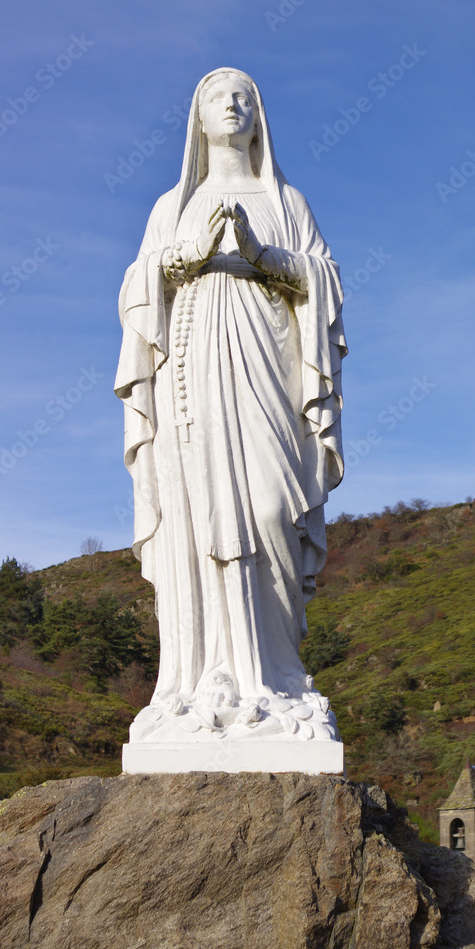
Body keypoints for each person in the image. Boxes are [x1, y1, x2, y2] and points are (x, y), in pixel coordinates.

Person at [115, 68, 346, 737]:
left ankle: (273, 680)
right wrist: (179, 260)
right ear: (199, 118)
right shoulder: (173, 205)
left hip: (267, 370)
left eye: (246, 96)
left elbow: (325, 282)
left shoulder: (288, 201)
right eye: (220, 96)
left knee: (272, 509)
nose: (235, 105)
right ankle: (200, 677)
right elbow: (137, 288)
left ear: (259, 118)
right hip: (193, 371)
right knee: (197, 515)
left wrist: (261, 253)